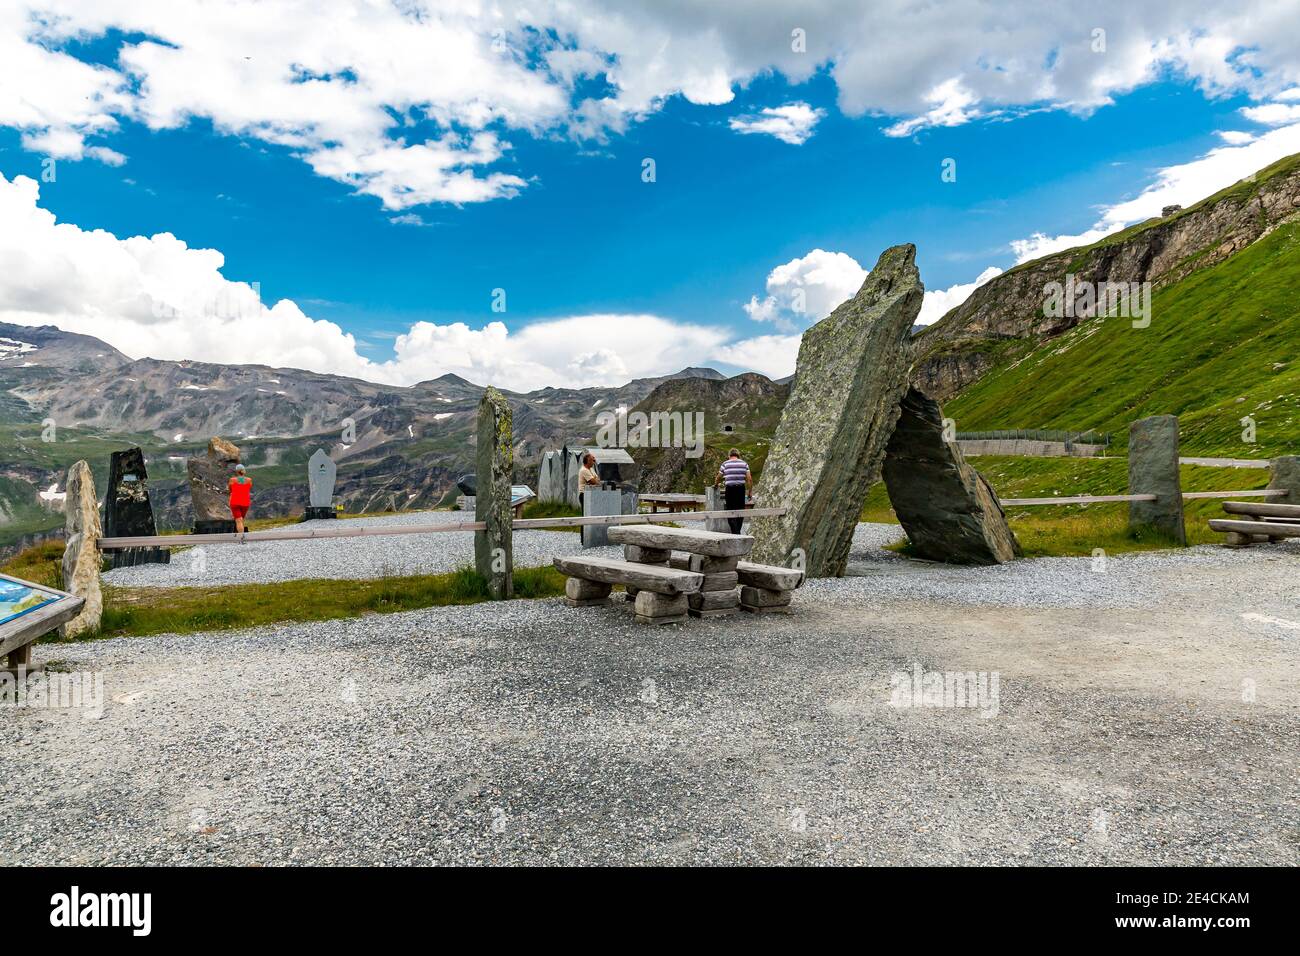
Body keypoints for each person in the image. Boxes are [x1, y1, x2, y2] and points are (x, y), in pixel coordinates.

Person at [716, 448, 752, 534]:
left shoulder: (725, 464)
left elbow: (719, 477)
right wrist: (750, 492)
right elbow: (749, 479)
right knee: (740, 510)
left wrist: (716, 484)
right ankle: (737, 531)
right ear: (738, 455)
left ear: (729, 456)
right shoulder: (744, 464)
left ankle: (735, 532)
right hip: (740, 489)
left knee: (730, 510)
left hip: (730, 489)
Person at [228, 464, 253, 537]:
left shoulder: (232, 480)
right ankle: (238, 534)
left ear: (236, 471)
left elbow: (230, 489)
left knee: (238, 520)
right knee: (241, 519)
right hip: (245, 502)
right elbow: (248, 488)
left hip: (235, 502)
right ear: (244, 471)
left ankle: (241, 537)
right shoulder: (249, 480)